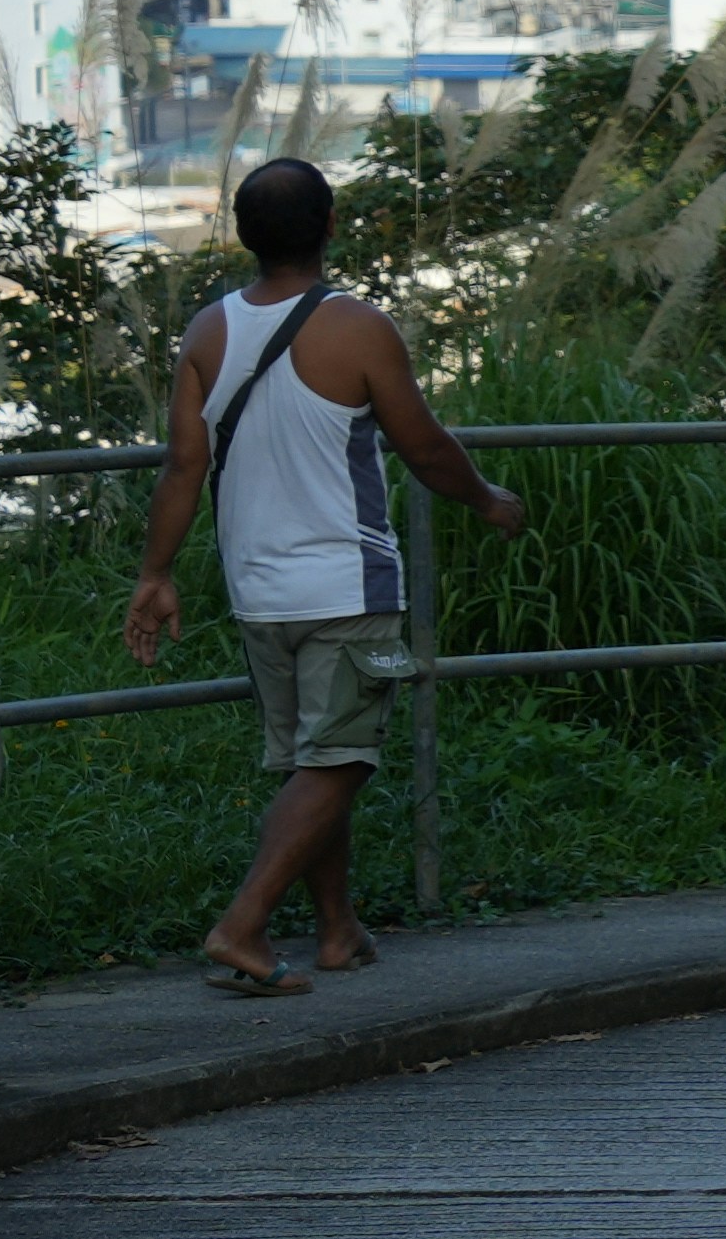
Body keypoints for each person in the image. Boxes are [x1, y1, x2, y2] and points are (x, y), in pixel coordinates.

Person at [120, 155, 524, 996]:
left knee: (314, 763)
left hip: (258, 594)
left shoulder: (207, 332)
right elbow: (424, 447)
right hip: (349, 587)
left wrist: (156, 572)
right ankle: (242, 925)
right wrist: (487, 500)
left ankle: (337, 932)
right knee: (339, 763)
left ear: (242, 235)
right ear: (331, 225)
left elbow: (183, 467)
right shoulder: (359, 328)